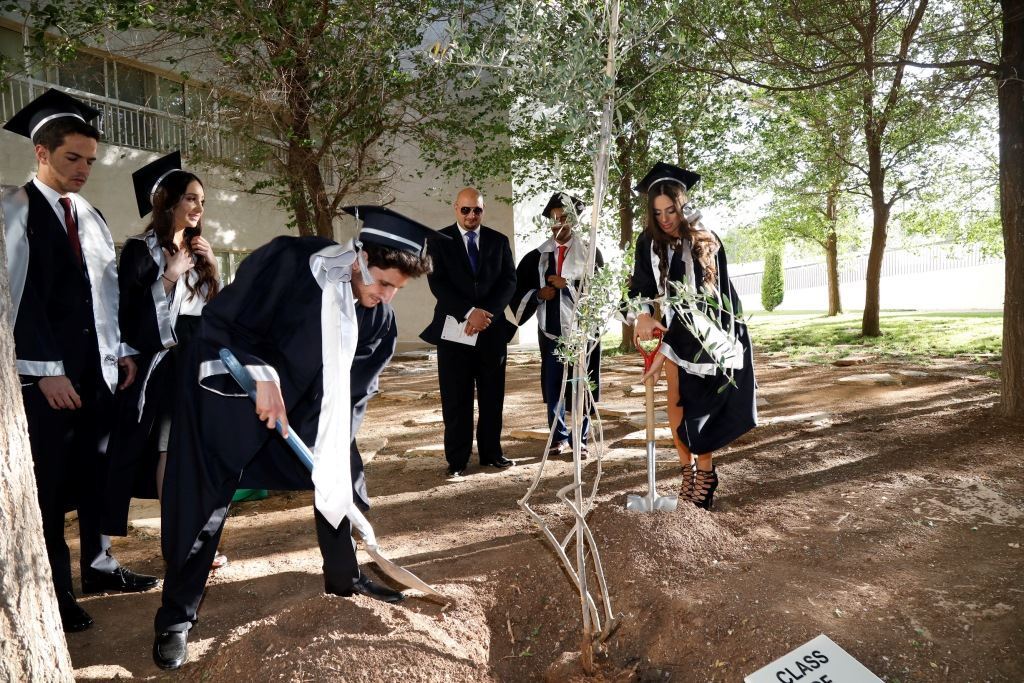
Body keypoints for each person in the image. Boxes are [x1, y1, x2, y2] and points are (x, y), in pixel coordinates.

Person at [152, 206, 440, 670]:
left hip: (305, 412)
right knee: (201, 507)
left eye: (396, 290)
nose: (385, 296)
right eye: (382, 282)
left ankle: (344, 581)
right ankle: (175, 619)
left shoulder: (378, 321)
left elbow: (354, 395)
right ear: (360, 256)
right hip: (227, 401)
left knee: (342, 478)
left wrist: (331, 448)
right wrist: (263, 376)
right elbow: (224, 323)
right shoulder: (288, 262)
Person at [1, 88, 157, 633]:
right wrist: (45, 372)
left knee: (99, 472)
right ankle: (56, 589)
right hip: (49, 380)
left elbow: (105, 293)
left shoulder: (90, 214)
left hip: (98, 371)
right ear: (42, 153)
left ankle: (100, 566)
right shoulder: (14, 210)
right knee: (50, 488)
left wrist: (123, 352)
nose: (84, 169)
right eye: (73, 158)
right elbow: (17, 299)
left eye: (90, 160)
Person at [102, 152, 225, 564]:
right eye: (191, 198)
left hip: (200, 356)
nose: (197, 208)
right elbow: (130, 315)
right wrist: (169, 276)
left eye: (202, 201)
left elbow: (215, 310)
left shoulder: (200, 248)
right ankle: (179, 545)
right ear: (168, 201)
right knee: (171, 453)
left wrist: (210, 268)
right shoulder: (140, 250)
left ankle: (204, 541)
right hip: (164, 361)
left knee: (204, 452)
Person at [627, 162, 757, 510]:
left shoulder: (704, 238)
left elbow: (710, 297)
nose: (665, 218)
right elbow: (639, 285)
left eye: (671, 210)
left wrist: (668, 346)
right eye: (658, 212)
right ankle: (687, 473)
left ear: (682, 205)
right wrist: (641, 315)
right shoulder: (647, 242)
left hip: (707, 332)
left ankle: (705, 472)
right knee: (676, 402)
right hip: (672, 329)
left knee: (700, 404)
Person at [419, 187, 518, 477]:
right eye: (466, 210)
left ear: (482, 210)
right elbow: (438, 284)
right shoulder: (437, 241)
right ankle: (457, 460)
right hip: (454, 331)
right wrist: (468, 312)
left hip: (491, 330)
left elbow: (508, 281)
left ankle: (491, 454)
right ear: (455, 208)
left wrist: (485, 314)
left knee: (492, 396)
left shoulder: (499, 241)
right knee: (456, 398)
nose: (471, 215)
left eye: (477, 210)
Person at [510, 192, 603, 457]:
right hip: (550, 330)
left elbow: (600, 294)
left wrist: (569, 285)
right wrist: (540, 294)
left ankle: (580, 438)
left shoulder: (590, 253)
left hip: (582, 332)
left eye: (564, 219)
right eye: (554, 220)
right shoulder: (537, 257)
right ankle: (558, 436)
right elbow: (518, 292)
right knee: (553, 385)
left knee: (581, 384)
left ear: (574, 221)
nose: (558, 225)